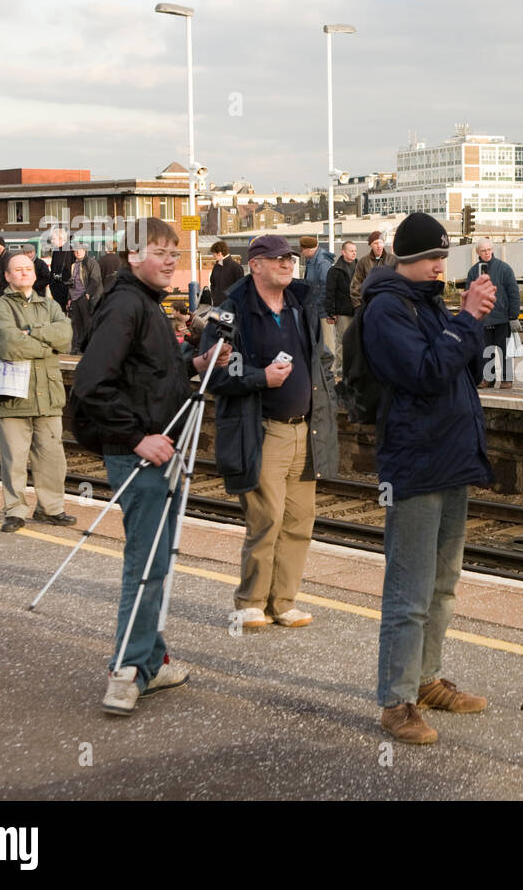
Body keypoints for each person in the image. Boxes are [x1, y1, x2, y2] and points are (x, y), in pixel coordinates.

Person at [72, 217, 229, 715]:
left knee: (157, 561)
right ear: (132, 255)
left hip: (160, 449)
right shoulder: (125, 305)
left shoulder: (146, 305)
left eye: (174, 251)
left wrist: (194, 366)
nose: (170, 260)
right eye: (158, 251)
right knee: (145, 564)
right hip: (141, 456)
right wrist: (138, 438)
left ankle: (152, 660)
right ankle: (126, 669)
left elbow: (150, 375)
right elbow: (92, 384)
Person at [360, 211, 496, 745]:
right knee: (409, 591)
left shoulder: (427, 303)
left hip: (451, 458)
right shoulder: (386, 310)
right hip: (415, 464)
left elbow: (458, 368)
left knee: (442, 586)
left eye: (443, 257)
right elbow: (424, 373)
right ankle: (397, 701)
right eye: (432, 259)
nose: (442, 266)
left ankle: (426, 679)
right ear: (407, 260)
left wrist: (466, 323)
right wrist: (465, 320)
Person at [202, 234, 339, 630]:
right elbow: (215, 374)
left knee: (299, 521)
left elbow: (322, 360)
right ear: (255, 264)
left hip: (305, 431)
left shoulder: (301, 306)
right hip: (261, 431)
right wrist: (260, 377)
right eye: (277, 259)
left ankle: (284, 601)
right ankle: (250, 601)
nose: (286, 264)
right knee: (266, 519)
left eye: (290, 259)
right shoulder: (229, 313)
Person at [0, 252, 76, 533]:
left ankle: (51, 508)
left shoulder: (50, 305)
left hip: (48, 395)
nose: (24, 273)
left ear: (35, 275)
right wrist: (47, 347)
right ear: (8, 276)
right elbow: (8, 346)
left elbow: (66, 338)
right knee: (14, 458)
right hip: (13, 396)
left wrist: (30, 332)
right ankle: (15, 511)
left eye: (28, 268)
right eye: (18, 269)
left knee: (52, 457)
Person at [466, 238, 521, 388]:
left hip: (502, 318)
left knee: (505, 351)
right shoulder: (473, 272)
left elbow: (513, 293)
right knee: (485, 351)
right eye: (483, 251)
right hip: (483, 319)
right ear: (478, 252)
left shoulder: (504, 269)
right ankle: (488, 379)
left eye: (489, 249)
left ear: (492, 250)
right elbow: (469, 294)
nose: (487, 253)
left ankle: (506, 379)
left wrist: (513, 316)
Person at [323, 240, 358, 378]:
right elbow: (330, 292)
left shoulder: (359, 267)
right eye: (351, 250)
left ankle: (352, 368)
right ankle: (340, 370)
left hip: (357, 310)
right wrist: (331, 313)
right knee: (342, 341)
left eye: (355, 250)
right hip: (342, 312)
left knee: (355, 342)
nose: (354, 253)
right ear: (343, 252)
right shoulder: (335, 270)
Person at [300, 236, 336, 358]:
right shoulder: (313, 261)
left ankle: (329, 372)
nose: (302, 253)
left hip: (322, 310)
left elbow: (326, 286)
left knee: (327, 342)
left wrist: (315, 304)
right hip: (315, 308)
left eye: (303, 250)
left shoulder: (322, 262)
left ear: (309, 249)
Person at [67, 244, 102, 354]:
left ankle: (89, 348)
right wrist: (69, 298)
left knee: (87, 323)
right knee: (77, 324)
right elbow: (72, 282)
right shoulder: (73, 265)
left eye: (80, 250)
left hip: (85, 297)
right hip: (75, 297)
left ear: (84, 251)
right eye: (75, 251)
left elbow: (96, 279)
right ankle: (78, 347)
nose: (77, 252)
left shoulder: (91, 262)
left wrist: (88, 294)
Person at [350, 230, 396, 310]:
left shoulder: (393, 260)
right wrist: (359, 307)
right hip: (369, 306)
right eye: (375, 243)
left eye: (380, 242)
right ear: (370, 245)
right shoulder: (363, 262)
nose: (379, 246)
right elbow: (356, 285)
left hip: (389, 306)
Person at [208, 241, 244, 306]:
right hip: (217, 305)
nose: (213, 256)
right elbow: (212, 284)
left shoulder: (236, 267)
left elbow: (241, 288)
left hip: (231, 306)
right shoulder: (216, 266)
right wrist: (214, 297)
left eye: (214, 254)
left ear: (219, 253)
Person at [46, 228, 72, 311]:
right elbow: (53, 269)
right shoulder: (55, 252)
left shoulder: (71, 250)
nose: (52, 241)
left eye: (54, 239)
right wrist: (52, 284)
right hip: (56, 289)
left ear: (60, 238)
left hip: (68, 289)